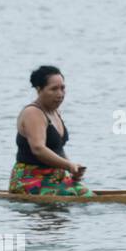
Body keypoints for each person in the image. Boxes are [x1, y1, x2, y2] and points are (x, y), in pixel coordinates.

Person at [9, 65, 93, 197]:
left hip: (55, 178)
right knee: (75, 197)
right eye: (54, 89)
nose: (60, 94)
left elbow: (57, 148)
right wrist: (68, 165)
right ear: (39, 89)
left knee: (88, 196)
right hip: (30, 179)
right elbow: (38, 149)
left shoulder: (54, 112)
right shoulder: (33, 113)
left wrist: (73, 169)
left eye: (62, 88)